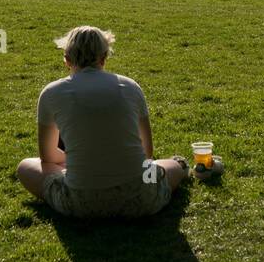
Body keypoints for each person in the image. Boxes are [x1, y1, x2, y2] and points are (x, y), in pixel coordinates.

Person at [15, 26, 188, 219]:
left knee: (25, 167)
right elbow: (147, 153)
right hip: (141, 199)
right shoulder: (130, 86)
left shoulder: (51, 92)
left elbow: (47, 157)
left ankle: (82, 173)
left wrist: (77, 161)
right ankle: (182, 165)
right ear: (104, 57)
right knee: (171, 166)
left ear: (67, 59)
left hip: (80, 203)